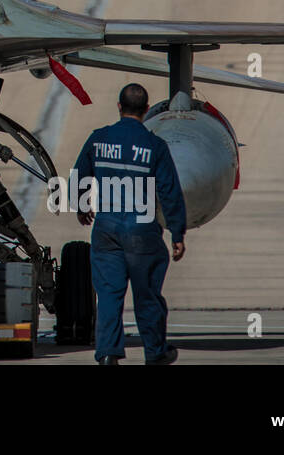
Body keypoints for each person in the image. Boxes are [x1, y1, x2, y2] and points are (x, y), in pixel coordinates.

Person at [72, 83, 187, 365]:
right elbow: (170, 191)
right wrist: (177, 232)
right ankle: (155, 352)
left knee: (109, 295)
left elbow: (79, 175)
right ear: (147, 110)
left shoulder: (99, 139)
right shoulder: (154, 146)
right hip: (141, 229)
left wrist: (82, 205)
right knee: (147, 294)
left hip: (107, 228)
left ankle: (108, 354)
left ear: (119, 107)